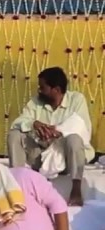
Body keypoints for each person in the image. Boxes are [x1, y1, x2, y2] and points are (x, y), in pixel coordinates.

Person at [7, 66, 94, 206]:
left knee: (74, 138)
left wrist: (57, 131)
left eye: (42, 87)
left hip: (67, 158)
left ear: (56, 90)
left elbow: (81, 125)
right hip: (40, 155)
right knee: (14, 135)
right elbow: (18, 122)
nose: (39, 91)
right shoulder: (36, 102)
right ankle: (17, 185)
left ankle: (76, 189)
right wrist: (33, 124)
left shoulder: (77, 99)